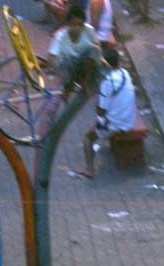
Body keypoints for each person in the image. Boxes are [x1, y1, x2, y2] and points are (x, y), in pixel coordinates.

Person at [82, 48, 136, 178]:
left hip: (115, 123)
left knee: (87, 138)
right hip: (130, 119)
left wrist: (98, 100)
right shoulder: (125, 73)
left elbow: (101, 112)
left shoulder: (107, 82)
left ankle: (89, 169)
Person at [48, 3, 100, 91]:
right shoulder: (61, 36)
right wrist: (57, 69)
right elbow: (52, 56)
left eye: (80, 25)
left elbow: (97, 46)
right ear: (68, 24)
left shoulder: (89, 30)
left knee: (94, 50)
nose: (77, 28)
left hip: (83, 63)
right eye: (74, 24)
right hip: (70, 65)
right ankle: (68, 85)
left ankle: (85, 83)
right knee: (64, 62)